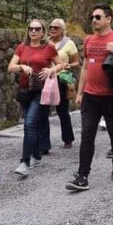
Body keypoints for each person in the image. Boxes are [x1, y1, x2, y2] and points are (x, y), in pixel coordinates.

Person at [66, 4, 113, 191]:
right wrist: (80, 92)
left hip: (112, 96)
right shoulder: (88, 40)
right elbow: (85, 67)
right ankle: (82, 175)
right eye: (92, 17)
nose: (93, 20)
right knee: (87, 135)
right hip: (91, 96)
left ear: (108, 19)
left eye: (98, 17)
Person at [7, 19, 65, 177]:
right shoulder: (21, 47)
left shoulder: (49, 48)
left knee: (30, 124)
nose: (33, 31)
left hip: (41, 90)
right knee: (31, 124)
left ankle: (25, 162)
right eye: (31, 29)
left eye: (37, 29)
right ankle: (36, 156)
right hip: (25, 90)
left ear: (42, 32)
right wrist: (21, 67)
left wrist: (51, 70)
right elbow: (10, 67)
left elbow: (61, 64)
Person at [47, 19, 80, 148]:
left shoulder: (69, 43)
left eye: (56, 27)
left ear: (62, 29)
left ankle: (68, 139)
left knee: (62, 110)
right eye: (51, 27)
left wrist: (68, 65)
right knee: (43, 111)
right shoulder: (45, 42)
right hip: (46, 78)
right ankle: (43, 142)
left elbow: (77, 62)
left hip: (61, 79)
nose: (53, 29)